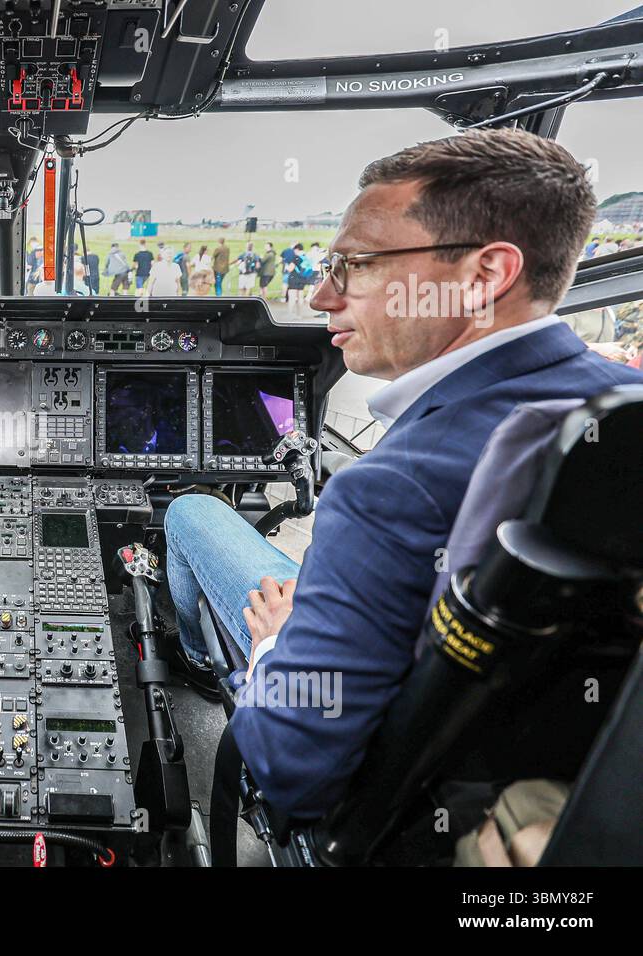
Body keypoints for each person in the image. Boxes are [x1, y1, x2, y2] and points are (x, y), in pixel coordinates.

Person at [163, 128, 643, 821]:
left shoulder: (390, 489)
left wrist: (276, 644)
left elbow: (288, 769)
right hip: (557, 781)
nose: (326, 297)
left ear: (485, 276)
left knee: (191, 512)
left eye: (356, 265)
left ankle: (203, 672)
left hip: (392, 802)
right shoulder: (623, 405)